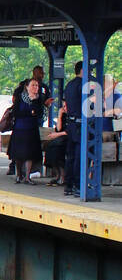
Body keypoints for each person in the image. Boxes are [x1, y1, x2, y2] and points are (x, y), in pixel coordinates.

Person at [10, 77, 44, 183]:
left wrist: (33, 104)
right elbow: (16, 112)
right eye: (33, 85)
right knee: (19, 153)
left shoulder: (39, 98)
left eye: (37, 85)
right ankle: (19, 174)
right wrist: (30, 113)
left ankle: (27, 176)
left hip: (32, 128)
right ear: (27, 87)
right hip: (20, 128)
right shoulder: (20, 97)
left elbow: (39, 112)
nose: (35, 87)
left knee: (30, 153)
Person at [63, 61, 83, 196]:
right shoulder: (83, 85)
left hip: (70, 124)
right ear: (83, 70)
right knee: (78, 156)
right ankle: (78, 185)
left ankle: (68, 185)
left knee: (70, 156)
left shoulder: (69, 84)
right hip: (79, 124)